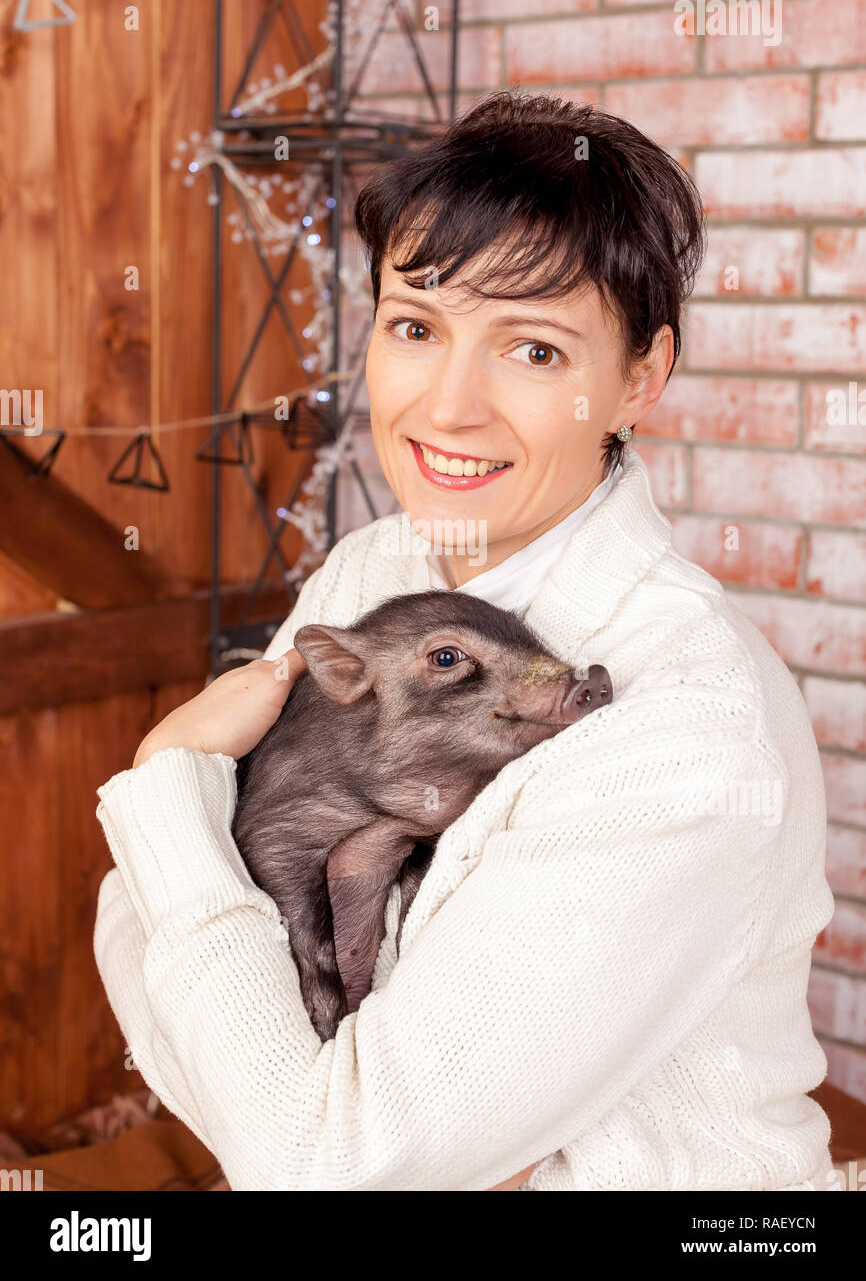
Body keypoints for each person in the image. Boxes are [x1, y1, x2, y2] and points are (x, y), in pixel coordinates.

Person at [94, 91, 835, 1191]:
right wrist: (168, 798)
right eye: (414, 326)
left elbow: (320, 1159)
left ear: (640, 376)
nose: (447, 406)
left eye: (531, 349)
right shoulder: (379, 570)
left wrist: (171, 785)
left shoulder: (684, 732)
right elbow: (127, 923)